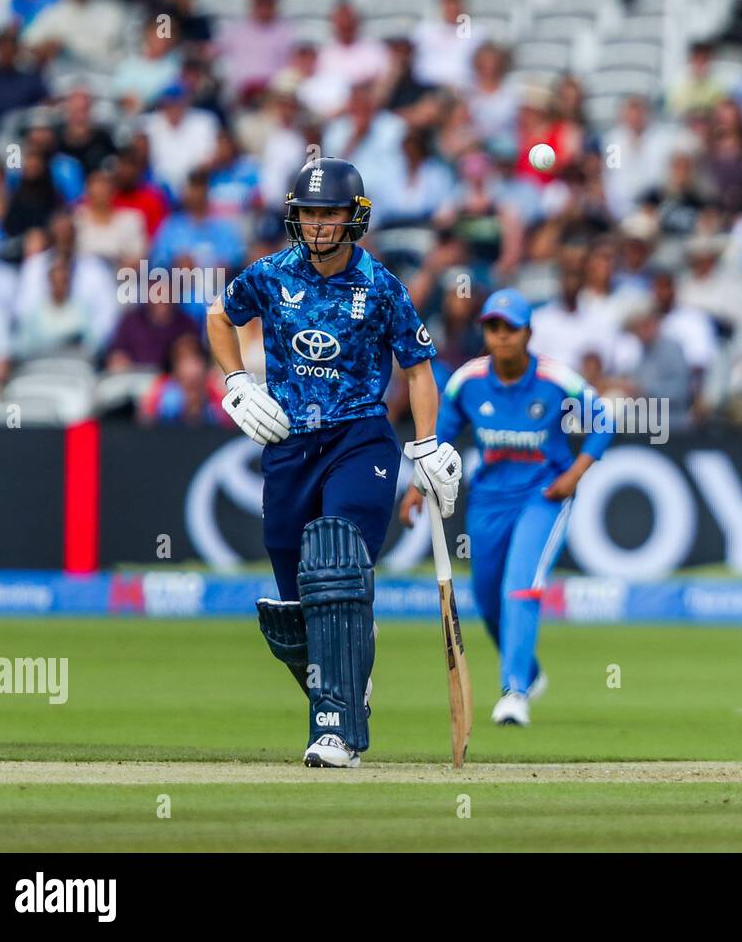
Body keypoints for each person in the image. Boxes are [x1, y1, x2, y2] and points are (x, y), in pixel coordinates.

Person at [206, 157, 462, 769]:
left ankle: (336, 729)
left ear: (356, 218)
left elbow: (418, 368)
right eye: (311, 213)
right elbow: (220, 316)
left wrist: (425, 443)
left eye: (332, 214)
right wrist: (237, 383)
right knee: (297, 607)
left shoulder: (380, 286)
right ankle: (347, 675)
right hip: (289, 442)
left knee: (339, 559)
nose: (320, 225)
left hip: (360, 438)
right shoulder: (270, 275)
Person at [400, 289, 612, 727]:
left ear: (528, 333)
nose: (502, 337)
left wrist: (574, 475)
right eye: (493, 328)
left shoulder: (557, 380)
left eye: (510, 328)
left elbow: (603, 420)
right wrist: (419, 486)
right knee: (487, 597)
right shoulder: (468, 380)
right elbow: (439, 435)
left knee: (522, 586)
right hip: (488, 499)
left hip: (543, 496)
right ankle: (530, 672)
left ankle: (514, 691)